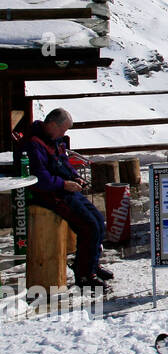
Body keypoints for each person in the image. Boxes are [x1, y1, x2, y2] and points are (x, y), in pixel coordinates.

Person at [24, 109, 109, 287]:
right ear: (53, 125)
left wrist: (74, 176)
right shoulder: (34, 143)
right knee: (88, 225)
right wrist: (64, 184)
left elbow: (63, 162)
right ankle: (84, 275)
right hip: (49, 194)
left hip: (64, 189)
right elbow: (40, 177)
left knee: (98, 221)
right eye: (63, 130)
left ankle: (90, 264)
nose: (64, 134)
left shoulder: (54, 140)